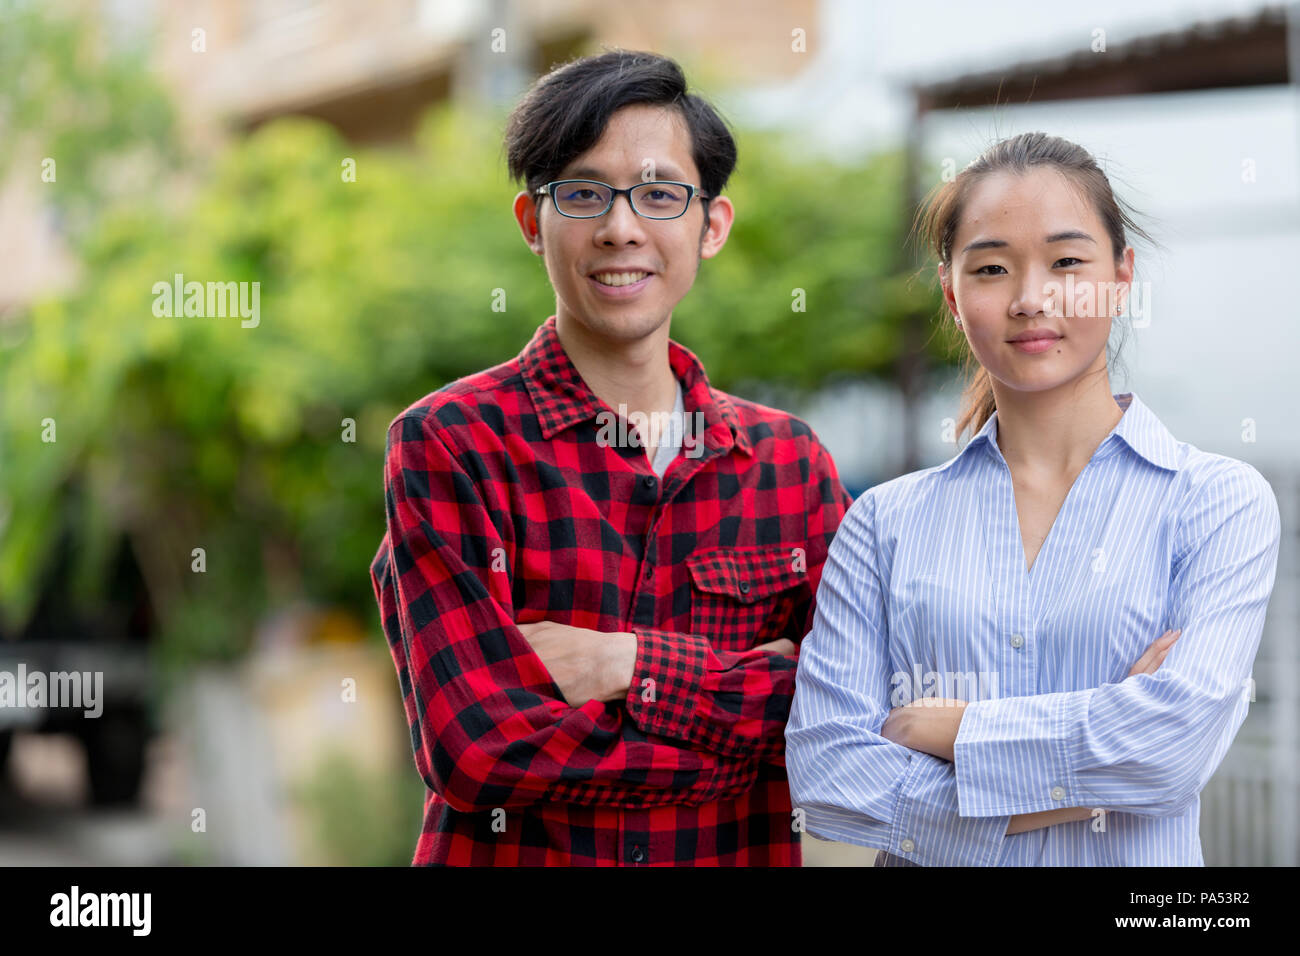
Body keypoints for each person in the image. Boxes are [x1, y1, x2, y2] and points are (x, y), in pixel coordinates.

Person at [369, 50, 853, 865]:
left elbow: (849, 710)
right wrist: (743, 717)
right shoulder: (452, 443)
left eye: (660, 195)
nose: (621, 227)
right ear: (533, 221)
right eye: (584, 193)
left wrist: (623, 662)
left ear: (713, 225)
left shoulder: (788, 462)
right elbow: (477, 748)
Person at [784, 131, 1281, 866]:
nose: (1030, 299)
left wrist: (954, 732)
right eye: (991, 268)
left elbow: (1169, 751)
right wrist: (1090, 776)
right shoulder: (883, 523)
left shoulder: (1216, 504)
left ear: (1122, 276)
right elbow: (828, 776)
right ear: (953, 296)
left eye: (1067, 262)